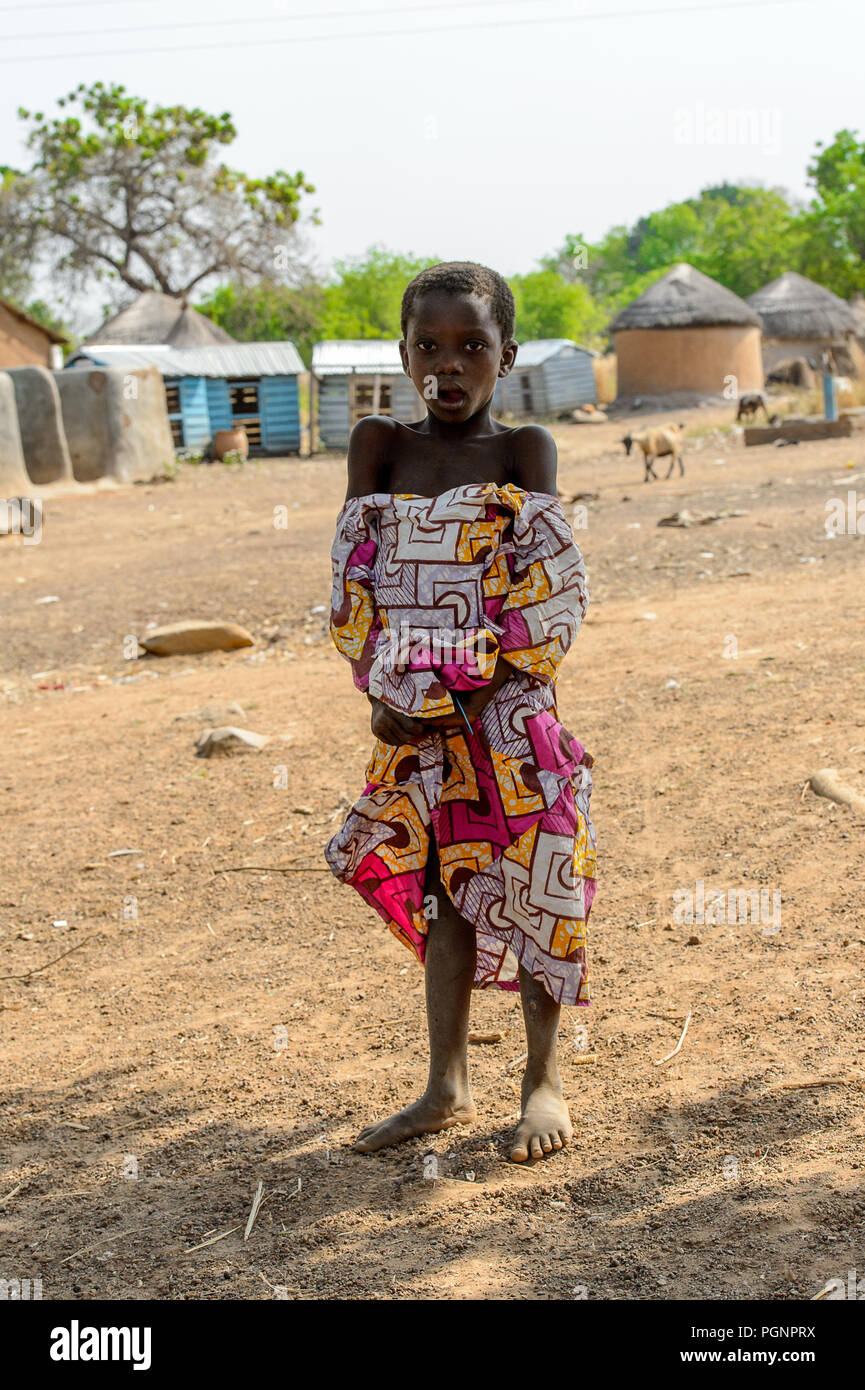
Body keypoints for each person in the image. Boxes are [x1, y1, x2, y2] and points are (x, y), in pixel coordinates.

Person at [325, 262, 597, 1162]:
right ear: (402, 355)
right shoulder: (379, 447)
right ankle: (444, 1085)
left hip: (510, 717)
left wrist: (475, 688)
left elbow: (550, 587)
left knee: (537, 886)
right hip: (416, 722)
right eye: (429, 347)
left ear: (506, 356)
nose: (449, 366)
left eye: (471, 347)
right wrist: (379, 692)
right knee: (449, 896)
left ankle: (542, 1083)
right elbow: (353, 581)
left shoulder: (524, 452)